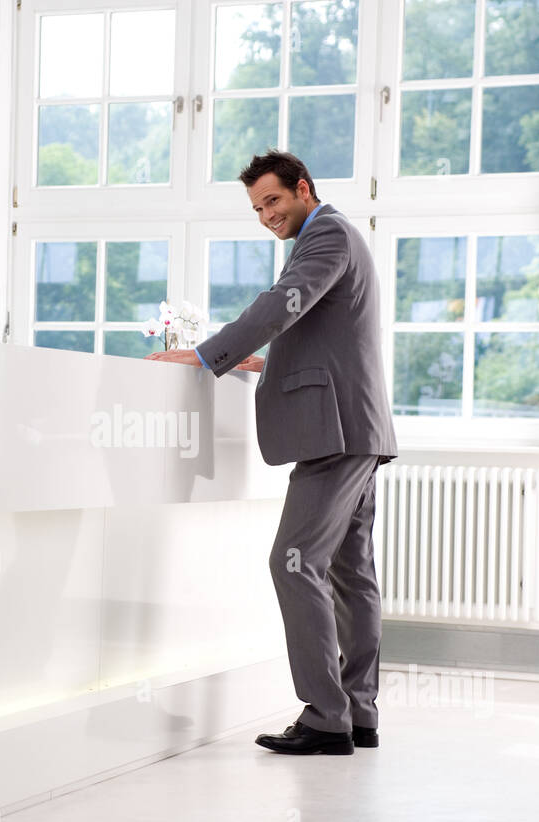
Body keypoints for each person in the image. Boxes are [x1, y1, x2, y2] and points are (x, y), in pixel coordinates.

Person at [146, 149, 398, 755]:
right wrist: (264, 360)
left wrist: (207, 355)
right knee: (350, 573)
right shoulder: (331, 238)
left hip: (336, 433)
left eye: (274, 201)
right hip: (353, 428)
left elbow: (281, 305)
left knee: (293, 561)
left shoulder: (328, 233)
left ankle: (324, 716)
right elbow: (317, 332)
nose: (265, 215)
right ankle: (357, 715)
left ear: (304, 189)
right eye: (257, 207)